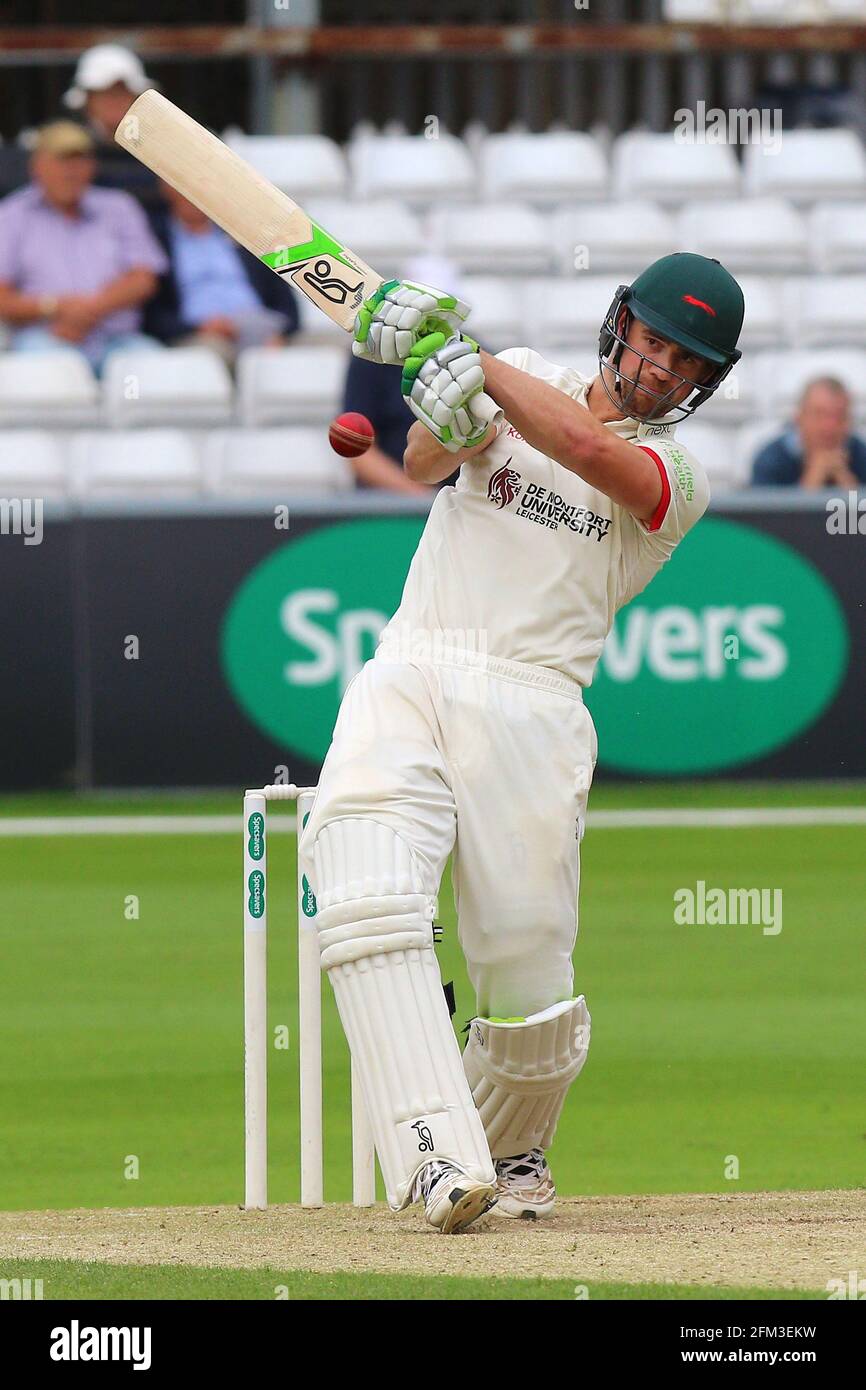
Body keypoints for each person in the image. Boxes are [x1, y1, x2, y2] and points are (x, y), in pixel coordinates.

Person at [298, 253, 744, 1232]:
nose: (662, 369)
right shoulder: (521, 369)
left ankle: (512, 1148)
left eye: (686, 362)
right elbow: (420, 464)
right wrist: (453, 420)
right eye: (654, 342)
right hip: (418, 657)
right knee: (361, 881)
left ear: (707, 383)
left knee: (523, 974)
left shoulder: (679, 476)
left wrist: (473, 362)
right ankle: (434, 1152)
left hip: (535, 703)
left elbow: (590, 455)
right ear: (619, 324)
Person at [0, 122, 166, 374]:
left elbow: (144, 278)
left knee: (163, 373)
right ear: (37, 166)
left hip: (117, 340)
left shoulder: (119, 207)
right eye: (61, 161)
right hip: (46, 338)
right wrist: (55, 307)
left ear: (92, 166)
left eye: (79, 161)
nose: (71, 171)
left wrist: (89, 310)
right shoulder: (11, 215)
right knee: (51, 373)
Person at [143, 182, 299, 361]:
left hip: (260, 326)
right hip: (200, 334)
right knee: (211, 355)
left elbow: (285, 300)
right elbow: (152, 313)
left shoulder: (245, 233)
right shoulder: (156, 238)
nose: (194, 194)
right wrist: (198, 327)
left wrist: (282, 332)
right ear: (166, 188)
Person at [63, 43, 162, 209]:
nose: (115, 100)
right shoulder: (65, 151)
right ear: (87, 99)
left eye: (123, 92)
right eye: (105, 92)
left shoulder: (161, 149)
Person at [752, 377, 866, 489]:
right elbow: (761, 506)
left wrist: (846, 481)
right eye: (819, 415)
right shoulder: (770, 459)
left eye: (839, 416)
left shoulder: (861, 454)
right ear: (799, 417)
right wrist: (812, 482)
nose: (829, 426)